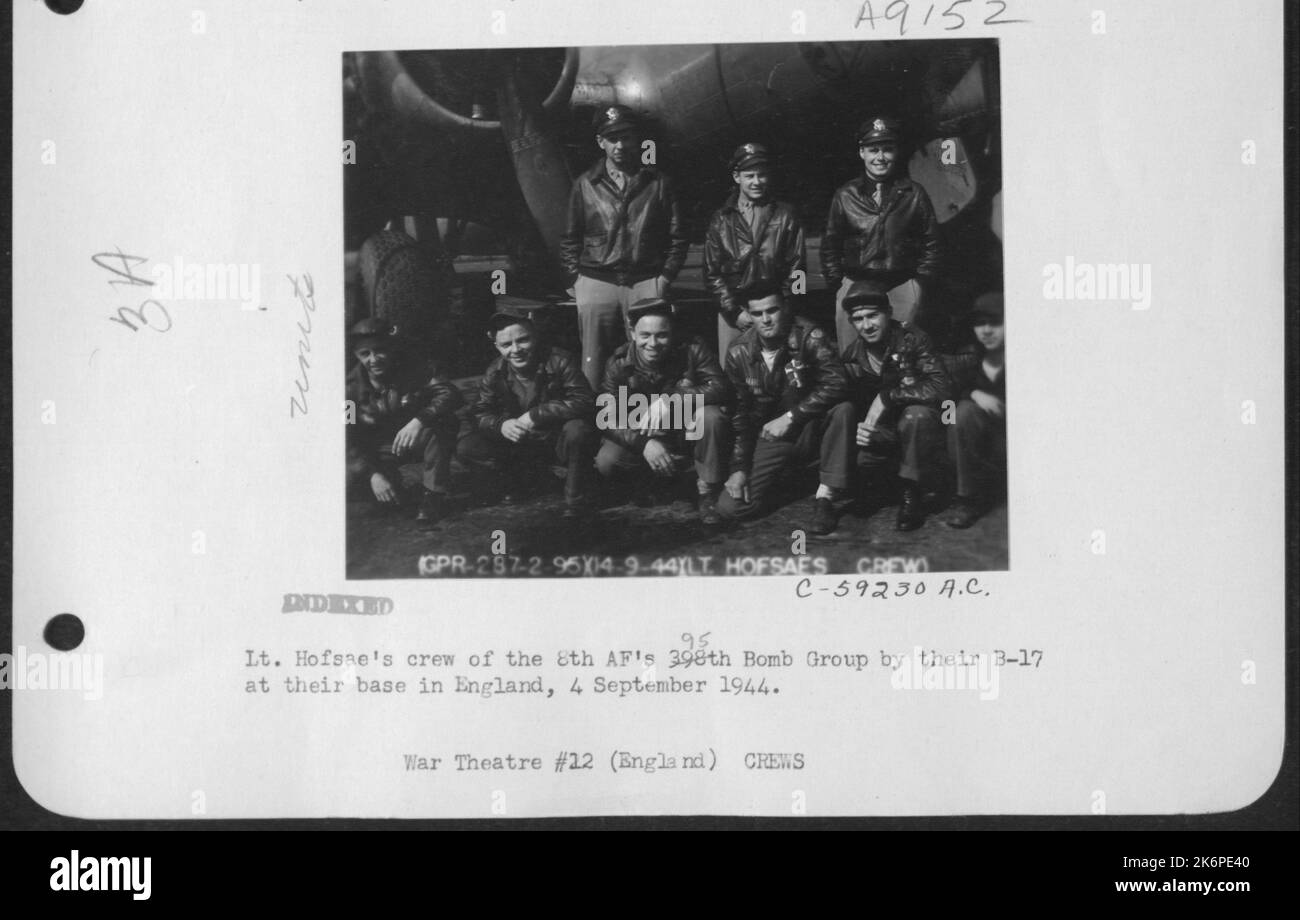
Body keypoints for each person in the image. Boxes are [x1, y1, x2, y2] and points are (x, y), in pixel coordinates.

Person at [559, 104, 690, 389]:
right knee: (593, 360)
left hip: (645, 281)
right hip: (596, 281)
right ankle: (593, 422)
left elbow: (679, 236)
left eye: (626, 137)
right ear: (600, 142)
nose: (620, 145)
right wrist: (574, 280)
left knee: (652, 357)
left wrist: (665, 278)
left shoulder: (659, 183)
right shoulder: (584, 185)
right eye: (612, 138)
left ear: (637, 141)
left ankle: (652, 422)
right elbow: (570, 237)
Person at [715, 287, 855, 534]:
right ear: (748, 315)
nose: (766, 319)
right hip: (771, 435)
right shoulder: (738, 351)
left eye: (772, 310)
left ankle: (826, 497)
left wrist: (793, 416)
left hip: (811, 425)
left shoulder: (809, 336)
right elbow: (740, 414)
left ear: (785, 308)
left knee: (843, 409)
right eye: (757, 313)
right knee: (731, 508)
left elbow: (837, 382)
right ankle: (788, 480)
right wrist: (739, 468)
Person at [595, 297, 734, 526]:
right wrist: (643, 443)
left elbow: (722, 387)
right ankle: (656, 483)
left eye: (662, 335)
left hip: (685, 434)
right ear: (632, 333)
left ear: (672, 332)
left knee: (711, 416)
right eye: (645, 335)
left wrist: (672, 399)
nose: (653, 343)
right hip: (644, 436)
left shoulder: (693, 350)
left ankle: (707, 491)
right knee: (607, 460)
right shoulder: (618, 363)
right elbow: (606, 417)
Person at [456, 305, 599, 519]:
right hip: (521, 445)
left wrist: (537, 415)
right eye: (506, 344)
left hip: (556, 440)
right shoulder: (495, 371)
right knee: (468, 447)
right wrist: (501, 425)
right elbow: (479, 413)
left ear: (535, 335)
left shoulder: (560, 360)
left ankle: (575, 498)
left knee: (577, 429)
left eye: (523, 340)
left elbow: (585, 400)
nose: (516, 350)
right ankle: (518, 482)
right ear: (496, 345)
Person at [822, 115, 940, 355]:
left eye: (887, 150)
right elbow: (830, 244)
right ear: (862, 153)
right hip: (855, 287)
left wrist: (918, 284)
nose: (880, 157)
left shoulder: (914, 194)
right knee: (852, 360)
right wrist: (838, 284)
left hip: (900, 287)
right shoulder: (845, 195)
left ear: (896, 152)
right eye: (873, 150)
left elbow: (933, 242)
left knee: (903, 359)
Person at [840, 283, 950, 532]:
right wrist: (862, 430)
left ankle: (912, 494)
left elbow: (942, 389)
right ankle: (891, 484)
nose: (866, 325)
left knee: (916, 415)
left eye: (872, 315)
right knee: (862, 467)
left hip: (919, 431)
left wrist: (889, 397)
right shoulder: (851, 356)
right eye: (858, 319)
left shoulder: (913, 339)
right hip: (885, 433)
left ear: (888, 313)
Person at [345, 318, 463, 528]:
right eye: (365, 354)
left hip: (415, 440)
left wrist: (419, 421)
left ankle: (433, 495)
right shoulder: (348, 389)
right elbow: (347, 439)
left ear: (390, 347)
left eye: (380, 350)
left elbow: (450, 393)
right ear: (356, 355)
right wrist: (373, 475)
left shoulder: (414, 368)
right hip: (381, 451)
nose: (374, 359)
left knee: (444, 422)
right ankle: (393, 486)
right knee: (351, 485)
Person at [704, 142, 806, 359]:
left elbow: (798, 270)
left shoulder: (786, 215)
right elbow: (712, 272)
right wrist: (734, 312)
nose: (756, 182)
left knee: (782, 369)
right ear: (736, 177)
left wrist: (785, 310)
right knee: (734, 371)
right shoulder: (721, 219)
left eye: (762, 175)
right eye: (749, 176)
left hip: (775, 311)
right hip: (735, 311)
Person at [944, 292, 1006, 528]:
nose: (986, 331)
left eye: (995, 323)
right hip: (980, 450)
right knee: (960, 412)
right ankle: (966, 498)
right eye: (980, 324)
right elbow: (946, 402)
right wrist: (973, 394)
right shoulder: (971, 360)